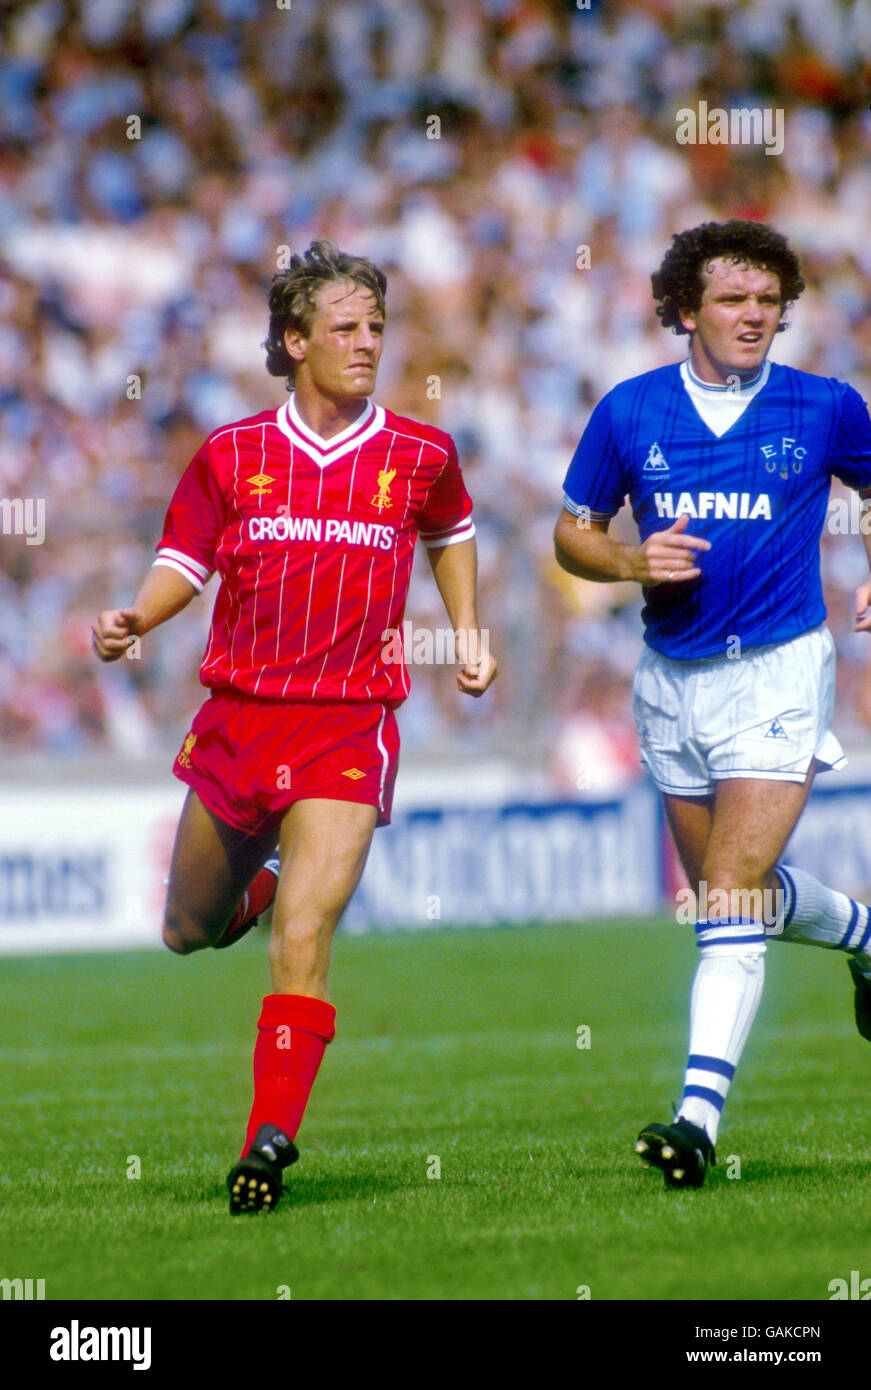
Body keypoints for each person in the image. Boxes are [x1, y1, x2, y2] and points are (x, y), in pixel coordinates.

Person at [92, 239, 497, 1213]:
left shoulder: (419, 453)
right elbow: (184, 560)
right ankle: (260, 881)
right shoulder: (231, 454)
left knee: (305, 932)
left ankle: (266, 1142)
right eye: (345, 328)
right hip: (239, 723)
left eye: (376, 328)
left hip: (348, 725)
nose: (367, 344)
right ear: (295, 339)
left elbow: (451, 531)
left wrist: (468, 632)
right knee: (187, 929)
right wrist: (138, 617)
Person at [554, 219, 871, 1188]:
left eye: (769, 301)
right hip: (669, 682)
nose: (753, 315)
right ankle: (864, 934)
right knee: (734, 900)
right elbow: (572, 534)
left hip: (778, 670)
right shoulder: (631, 410)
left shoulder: (824, 406)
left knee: (726, 900)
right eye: (732, 299)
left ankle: (695, 1119)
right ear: (685, 309)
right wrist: (627, 560)